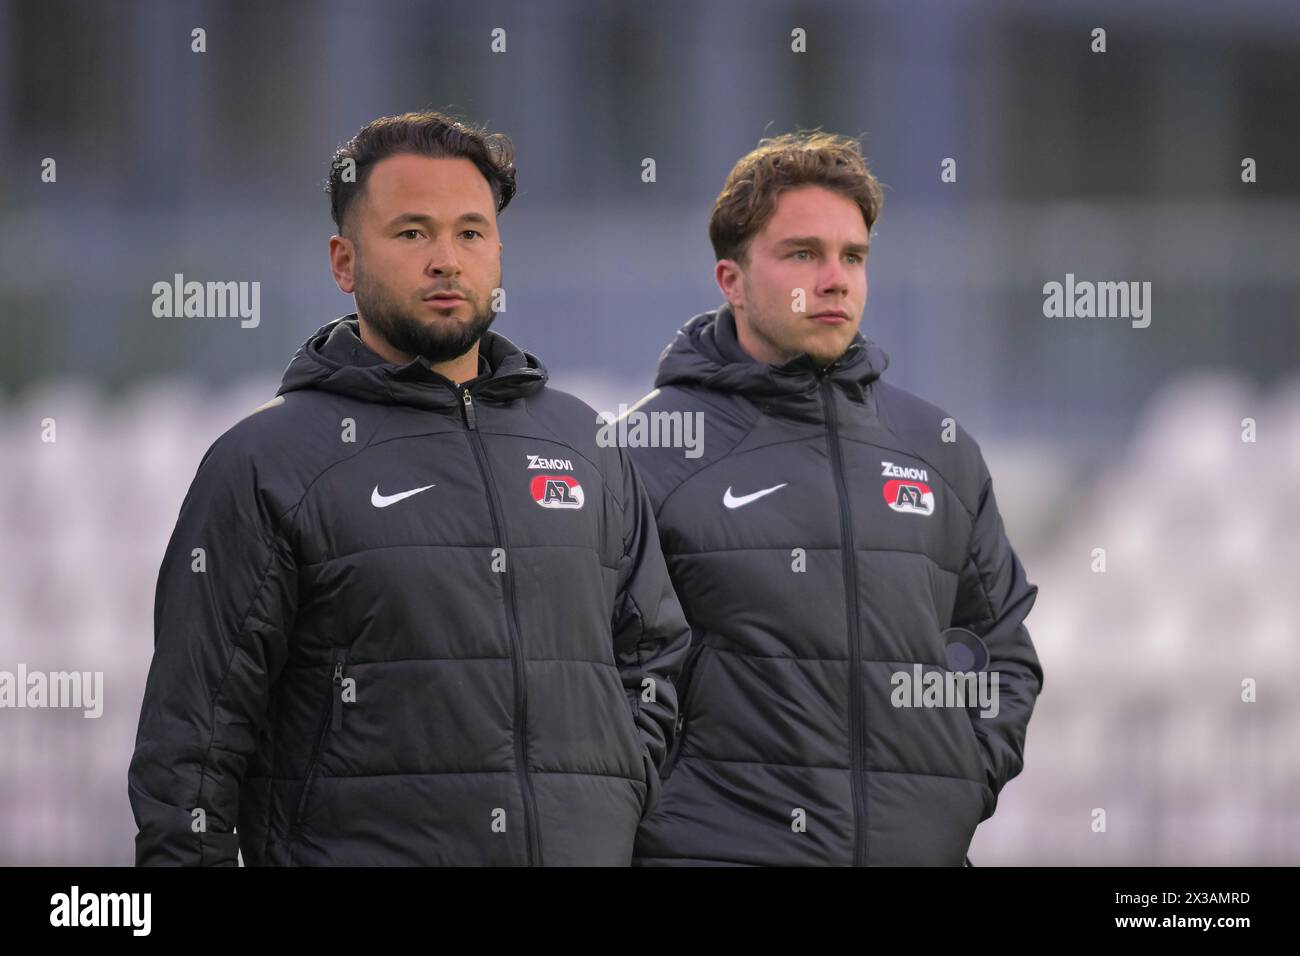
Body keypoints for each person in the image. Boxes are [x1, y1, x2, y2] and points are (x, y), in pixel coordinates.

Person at [128, 111, 689, 865]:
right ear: (344, 260)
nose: (447, 261)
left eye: (470, 232)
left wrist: (615, 794)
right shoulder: (266, 463)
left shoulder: (583, 444)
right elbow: (191, 748)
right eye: (412, 233)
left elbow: (654, 654)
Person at [626, 131, 1044, 865]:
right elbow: (597, 674)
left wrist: (959, 781)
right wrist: (676, 815)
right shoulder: (645, 451)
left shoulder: (936, 448)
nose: (835, 279)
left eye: (853, 256)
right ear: (732, 278)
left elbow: (997, 647)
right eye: (802, 254)